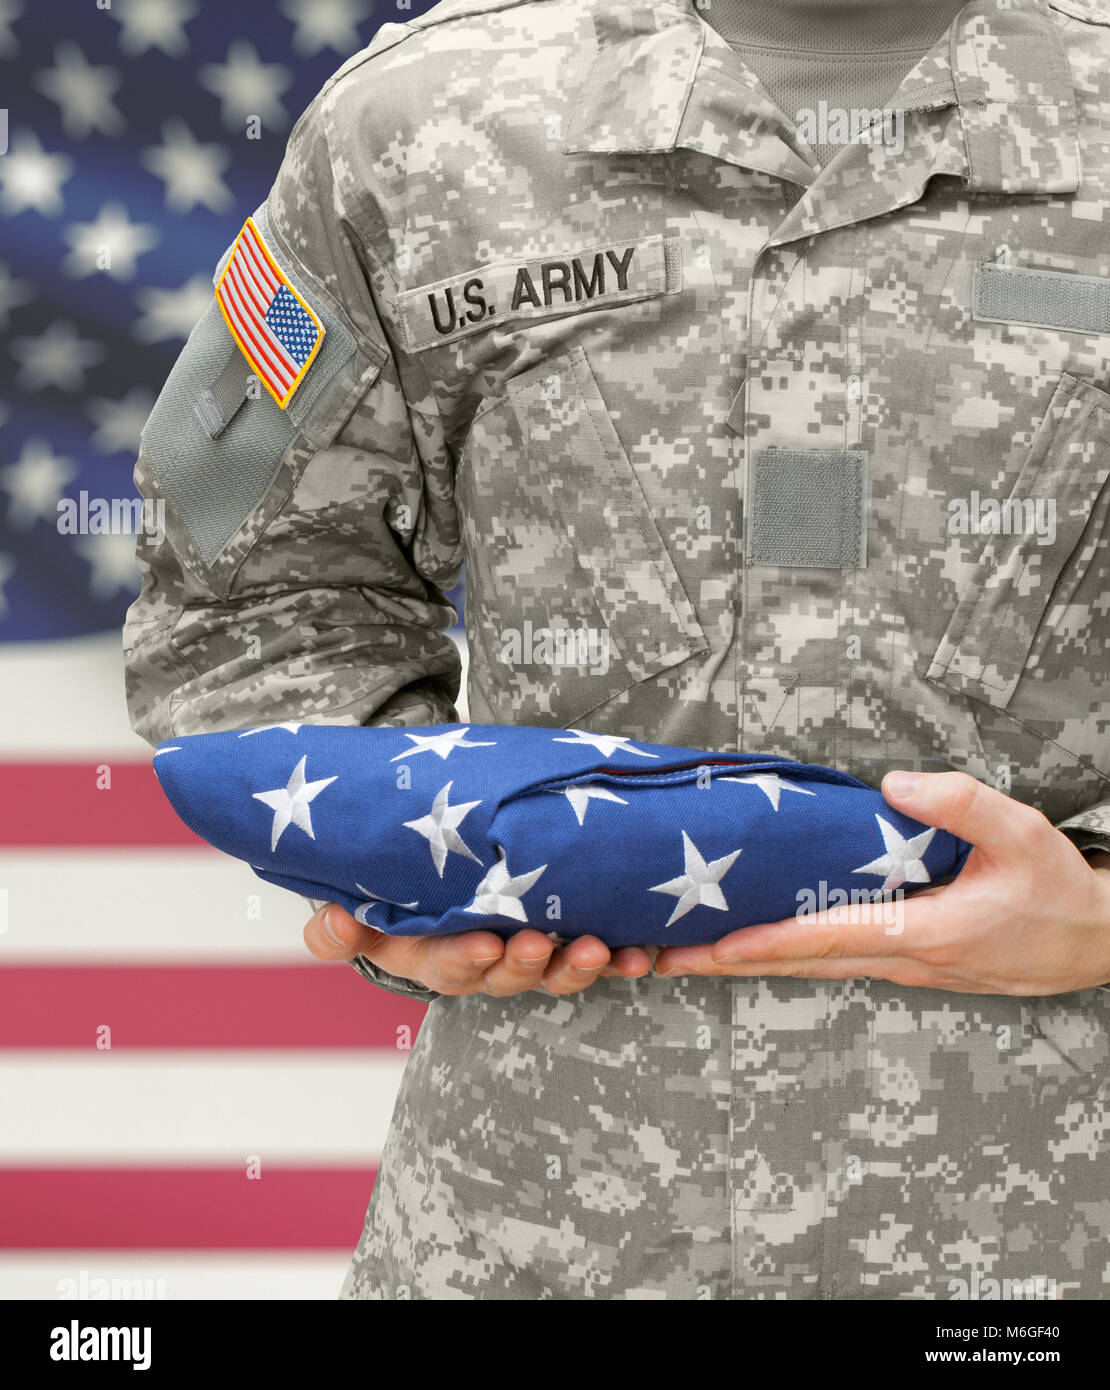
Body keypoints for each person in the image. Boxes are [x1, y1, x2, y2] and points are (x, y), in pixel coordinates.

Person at [125, 0, 1110, 1299]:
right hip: (545, 1230)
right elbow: (237, 596)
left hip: (1048, 1237)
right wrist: (403, 873)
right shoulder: (418, 127)